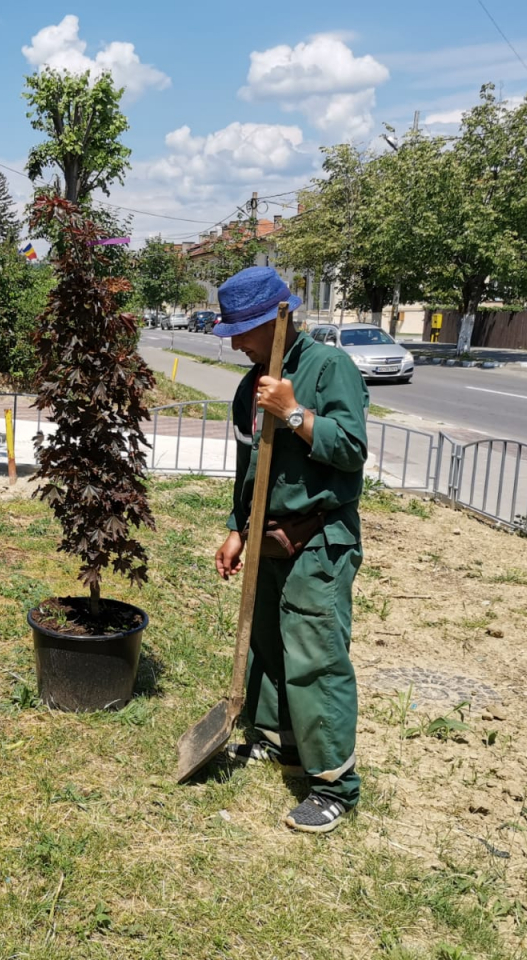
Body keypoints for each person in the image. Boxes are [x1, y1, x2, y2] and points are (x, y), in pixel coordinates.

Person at [210, 266, 369, 834]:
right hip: (267, 538)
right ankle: (281, 742)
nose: (236, 344)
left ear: (278, 320)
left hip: (318, 541)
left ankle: (334, 786)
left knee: (315, 656)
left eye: (243, 331)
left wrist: (295, 413)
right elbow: (248, 468)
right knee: (269, 645)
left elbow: (351, 449)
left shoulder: (329, 368)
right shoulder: (248, 387)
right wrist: (238, 527)